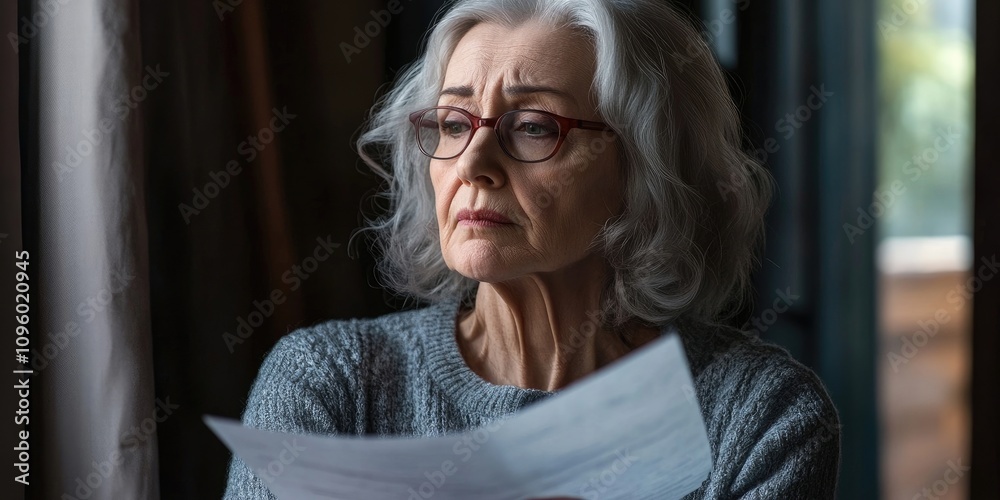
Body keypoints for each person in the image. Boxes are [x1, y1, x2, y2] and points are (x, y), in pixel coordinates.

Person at [223, 0, 840, 498]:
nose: (473, 164)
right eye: (455, 122)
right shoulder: (330, 384)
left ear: (648, 164)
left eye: (534, 127)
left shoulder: (758, 417)